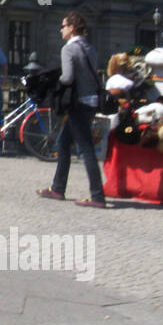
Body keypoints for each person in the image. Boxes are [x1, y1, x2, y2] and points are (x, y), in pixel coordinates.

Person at [37, 11, 108, 208]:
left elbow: (67, 77)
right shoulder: (90, 47)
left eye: (63, 26)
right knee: (63, 143)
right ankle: (58, 188)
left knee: (86, 149)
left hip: (78, 103)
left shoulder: (68, 49)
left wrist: (53, 81)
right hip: (91, 101)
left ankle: (97, 196)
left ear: (72, 28)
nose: (61, 29)